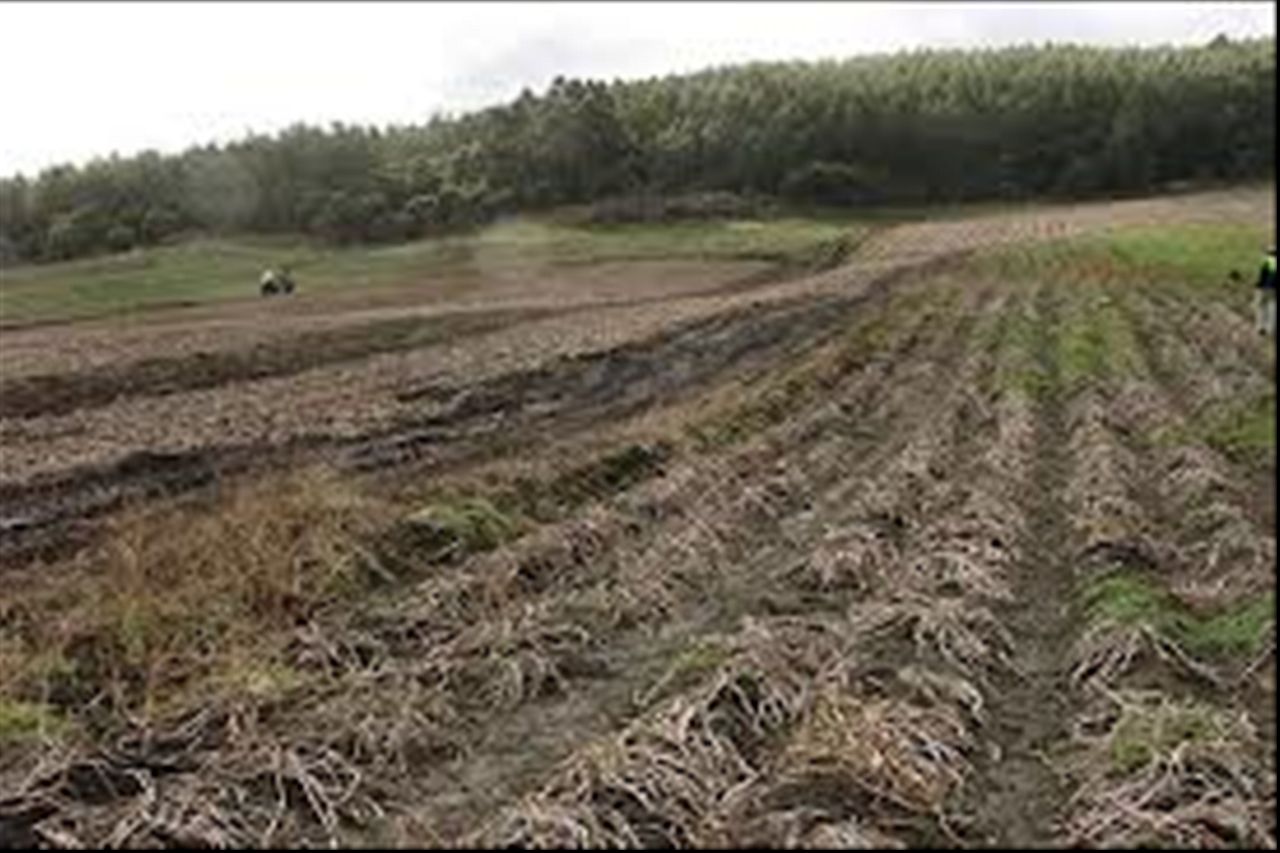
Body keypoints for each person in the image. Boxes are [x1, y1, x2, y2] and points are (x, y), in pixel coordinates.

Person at [1257, 247, 1276, 336]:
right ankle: (1271, 329)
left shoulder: (1268, 261)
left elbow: (1262, 275)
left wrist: (1258, 286)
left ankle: (1261, 326)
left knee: (1261, 306)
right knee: (1272, 307)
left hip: (1265, 287)